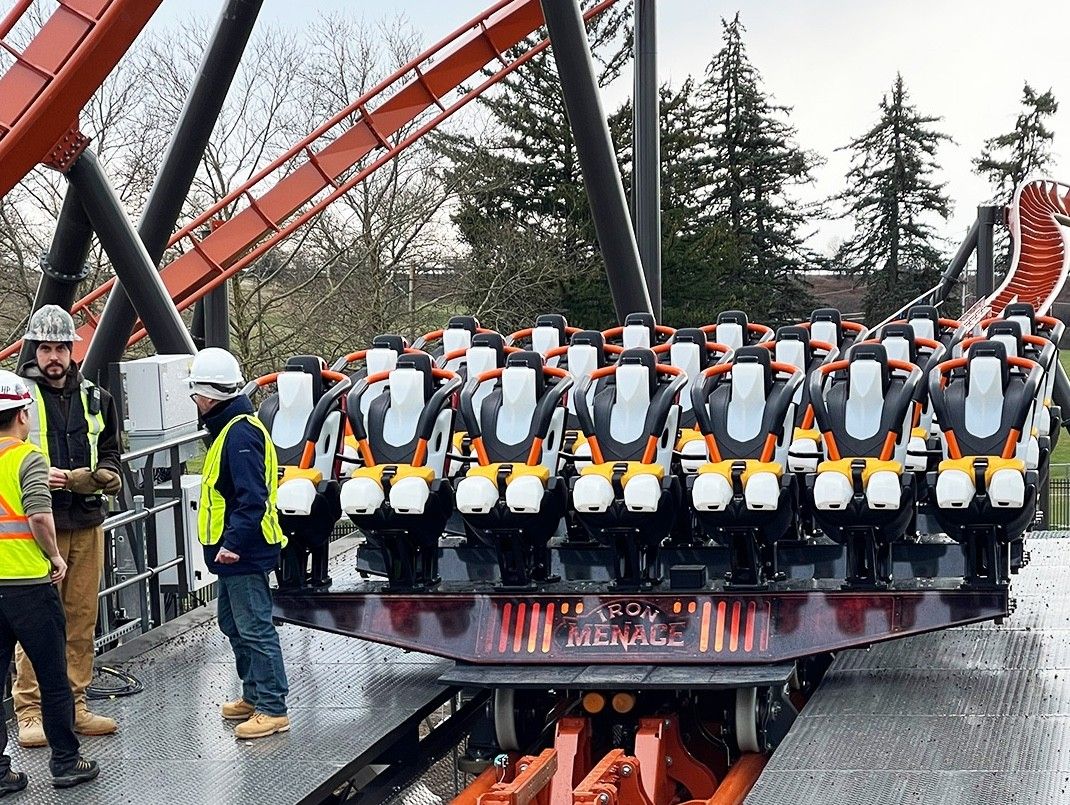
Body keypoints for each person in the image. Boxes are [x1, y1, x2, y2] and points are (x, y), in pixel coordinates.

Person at [14, 305, 123, 748]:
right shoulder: (17, 397)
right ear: (35, 351)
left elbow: (114, 452)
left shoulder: (98, 398)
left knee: (81, 618)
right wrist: (46, 476)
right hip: (37, 526)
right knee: (37, 621)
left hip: (86, 520)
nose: (53, 356)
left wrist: (99, 477)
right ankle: (30, 710)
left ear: (72, 350)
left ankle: (75, 704)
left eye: (60, 348)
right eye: (46, 348)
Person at [0, 370, 100, 791]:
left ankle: (1, 774)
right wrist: (55, 556)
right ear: (22, 414)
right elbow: (40, 516)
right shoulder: (27, 457)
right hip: (29, 585)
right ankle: (65, 762)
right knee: (53, 675)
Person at [187, 347, 291, 740]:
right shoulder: (231, 429)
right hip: (231, 552)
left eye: (196, 393)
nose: (195, 401)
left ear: (210, 395)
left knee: (254, 627)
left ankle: (273, 707)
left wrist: (232, 543)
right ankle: (254, 696)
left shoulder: (240, 433)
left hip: (242, 552)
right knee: (233, 623)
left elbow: (252, 497)